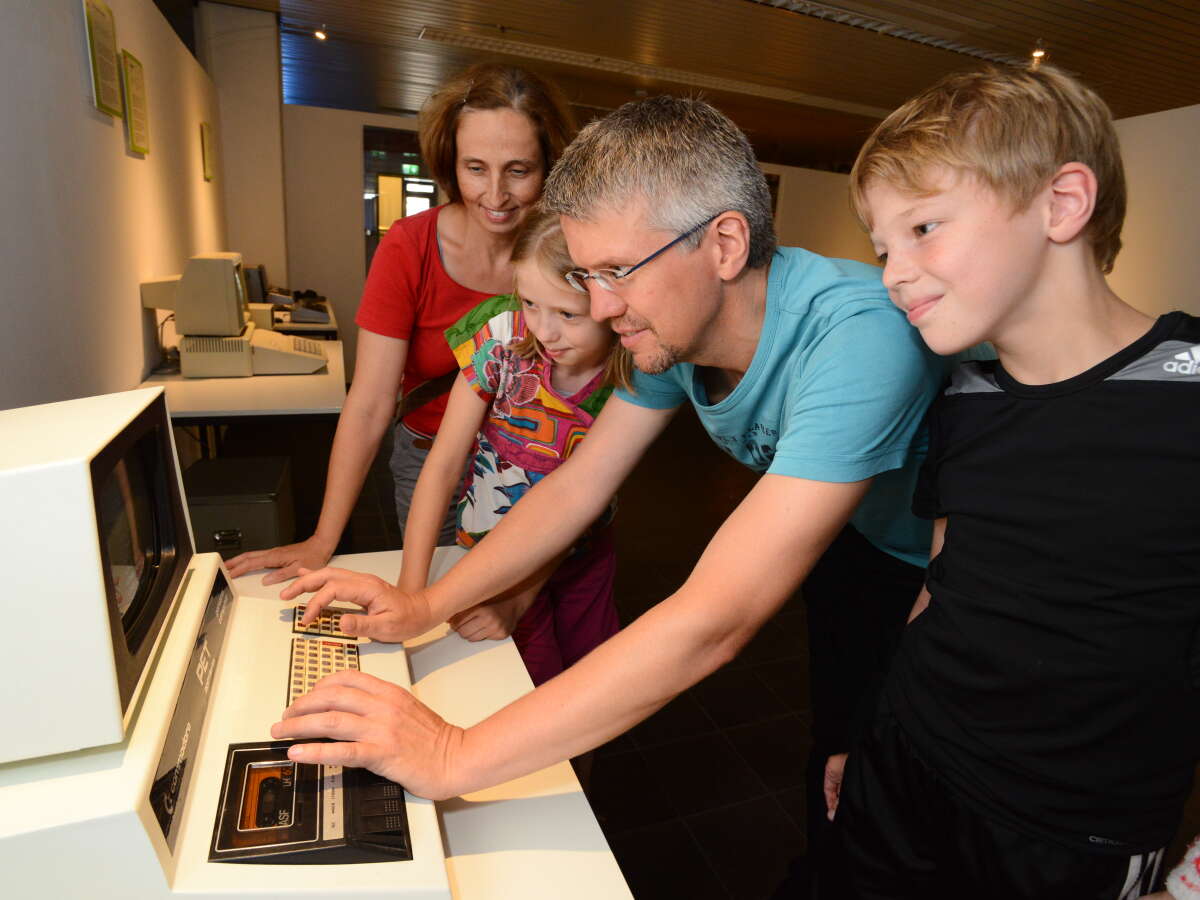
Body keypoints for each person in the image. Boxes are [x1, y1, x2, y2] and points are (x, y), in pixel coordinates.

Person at [267, 96, 944, 816]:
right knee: (841, 764)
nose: (597, 308)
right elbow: (576, 485)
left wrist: (452, 753)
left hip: (950, 572)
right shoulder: (670, 329)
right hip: (860, 536)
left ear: (724, 244)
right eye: (588, 275)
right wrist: (423, 602)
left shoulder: (860, 335)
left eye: (618, 270)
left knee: (903, 783)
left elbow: (718, 616)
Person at [825, 63, 1200, 898]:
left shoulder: (1189, 390)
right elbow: (941, 581)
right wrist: (872, 728)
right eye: (882, 247)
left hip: (1073, 829)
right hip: (908, 764)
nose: (891, 272)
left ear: (1062, 204)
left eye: (923, 229)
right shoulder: (968, 391)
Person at [227, 63, 575, 585]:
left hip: (540, 467)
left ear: (549, 165)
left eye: (519, 170)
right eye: (475, 168)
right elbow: (369, 404)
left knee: (532, 618)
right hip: (434, 463)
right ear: (449, 163)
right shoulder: (410, 246)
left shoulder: (572, 247)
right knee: (441, 611)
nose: (496, 194)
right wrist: (324, 539)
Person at [398, 207, 632, 685]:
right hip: (489, 553)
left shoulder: (630, 375)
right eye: (529, 303)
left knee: (589, 682)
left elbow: (575, 508)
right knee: (523, 686)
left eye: (569, 314)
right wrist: (410, 591)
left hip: (575, 559)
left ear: (612, 305)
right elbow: (442, 465)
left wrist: (520, 599)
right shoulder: (502, 337)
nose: (544, 332)